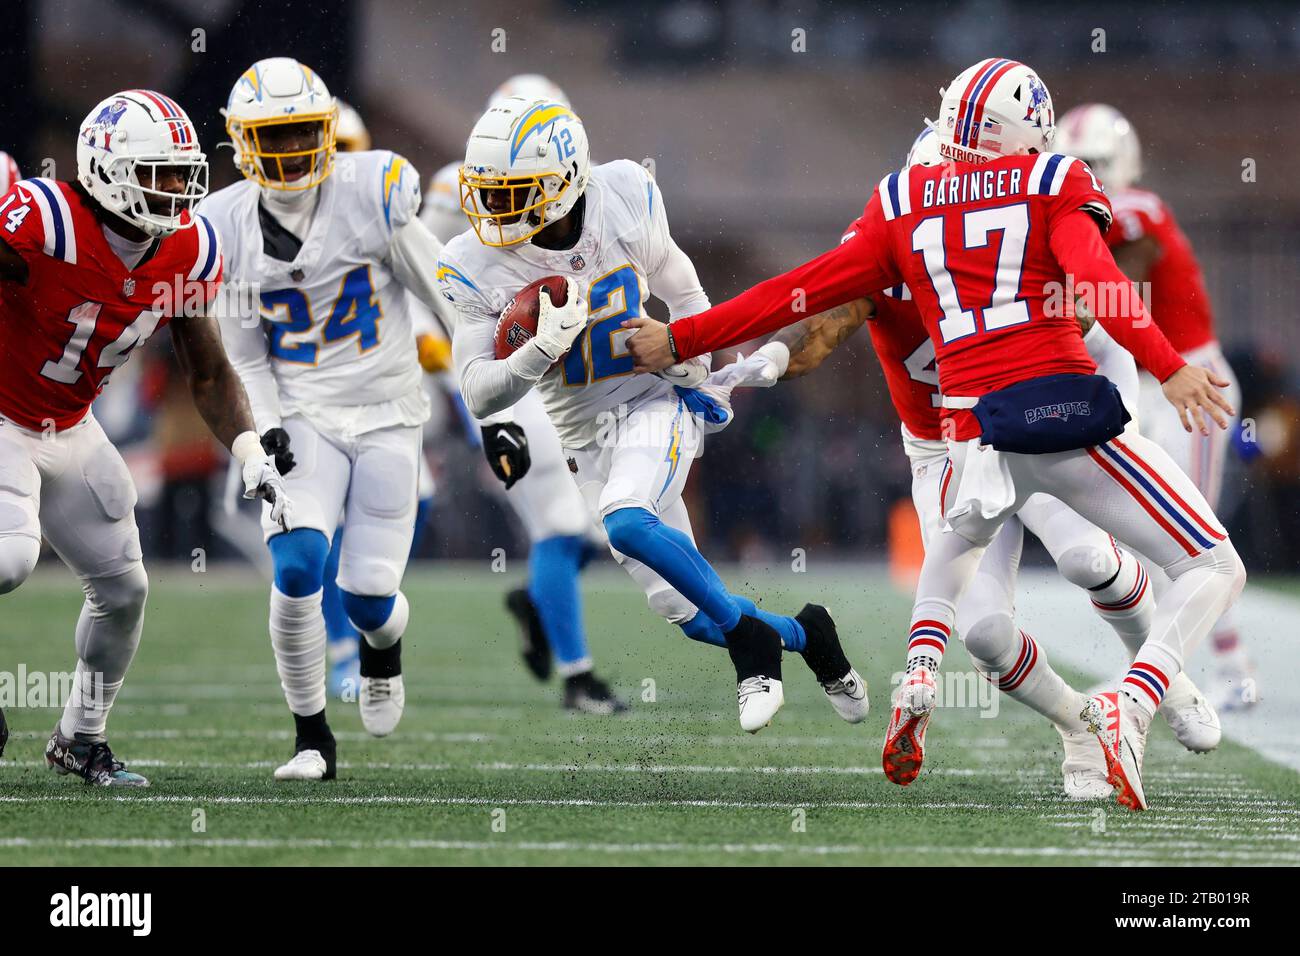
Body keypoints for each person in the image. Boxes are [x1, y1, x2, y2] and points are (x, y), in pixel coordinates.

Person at [625, 60, 1245, 810]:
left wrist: (686, 338)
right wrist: (1169, 365)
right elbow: (1098, 284)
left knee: (1077, 560)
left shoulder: (903, 204)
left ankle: (1156, 694)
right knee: (1185, 573)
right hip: (1014, 426)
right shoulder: (1051, 182)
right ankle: (1119, 708)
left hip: (975, 438)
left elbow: (794, 288)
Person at [440, 96, 867, 732]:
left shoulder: (623, 195)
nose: (495, 212)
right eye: (490, 194)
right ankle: (808, 636)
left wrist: (692, 358)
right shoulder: (471, 262)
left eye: (515, 194)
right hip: (584, 436)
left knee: (625, 521)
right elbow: (479, 392)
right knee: (690, 614)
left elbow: (682, 283)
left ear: (563, 182)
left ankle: (753, 654)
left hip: (651, 402)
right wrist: (541, 350)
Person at [0, 91, 290, 785]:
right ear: (105, 168)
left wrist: (248, 450)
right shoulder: (41, 220)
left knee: (124, 588)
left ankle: (80, 737)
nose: (175, 190)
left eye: (180, 173)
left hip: (72, 425)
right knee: (9, 559)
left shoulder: (187, 249)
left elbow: (210, 369)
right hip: (3, 415)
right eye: (156, 172)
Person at [199, 58, 451, 780]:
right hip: (304, 414)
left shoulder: (371, 192)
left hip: (388, 414)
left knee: (369, 596)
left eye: (301, 134)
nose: (287, 153)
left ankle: (384, 644)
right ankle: (313, 738)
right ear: (243, 143)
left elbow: (446, 296)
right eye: (270, 139)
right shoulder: (224, 225)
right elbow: (243, 355)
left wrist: (485, 393)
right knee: (300, 565)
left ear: (326, 130)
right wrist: (264, 429)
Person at [1057, 105, 1254, 711]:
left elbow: (1119, 262)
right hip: (1149, 387)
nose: (1084, 176)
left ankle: (1200, 676)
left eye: (1092, 165)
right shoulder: (1088, 216)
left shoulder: (1138, 209)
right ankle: (1220, 671)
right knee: (1161, 540)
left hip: (1192, 383)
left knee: (1192, 543)